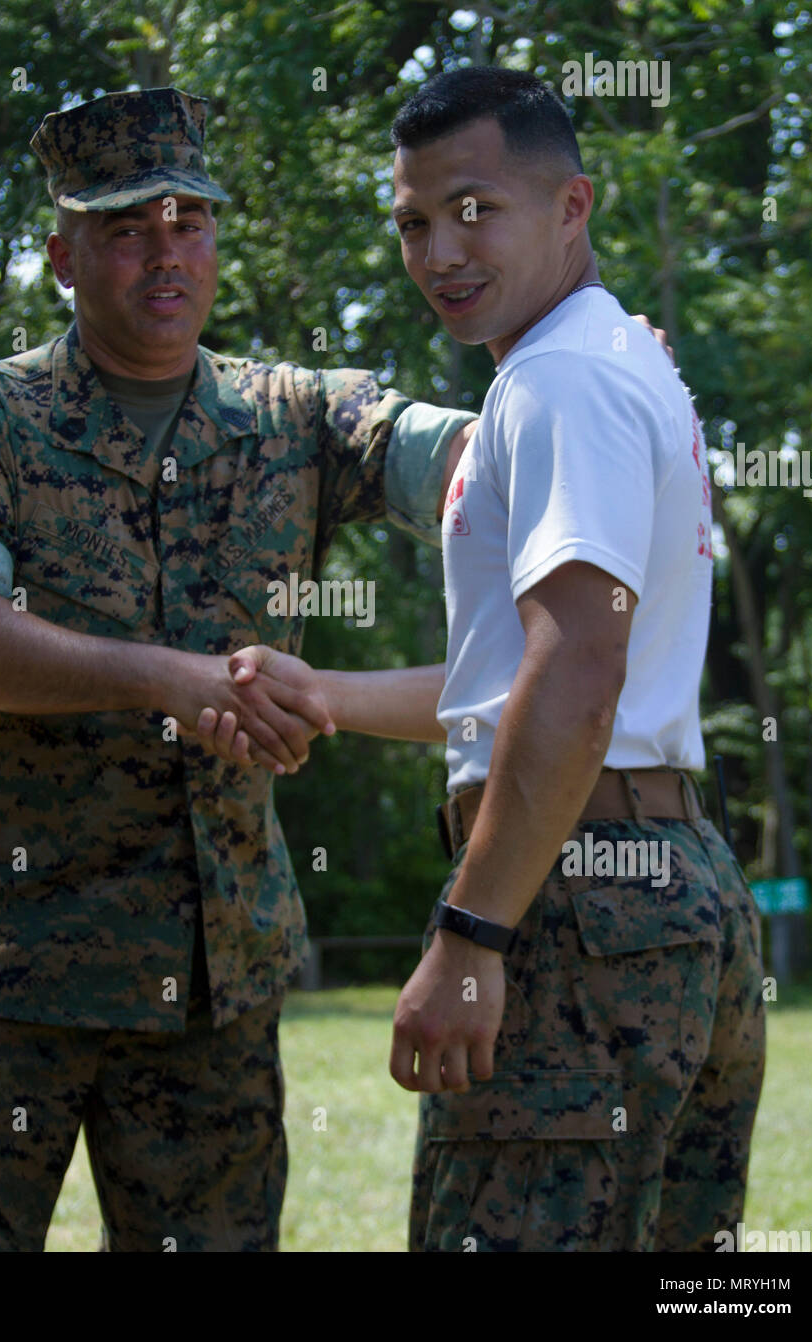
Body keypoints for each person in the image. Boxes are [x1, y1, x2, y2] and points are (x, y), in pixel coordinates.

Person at [0, 86, 479, 1252]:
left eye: (188, 219)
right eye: (127, 225)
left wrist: (576, 377)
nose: (165, 250)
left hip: (213, 986)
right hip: (6, 969)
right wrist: (165, 677)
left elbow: (451, 456)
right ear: (61, 253)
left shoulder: (291, 415)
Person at [197, 66, 765, 1253]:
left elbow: (574, 679)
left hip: (575, 906)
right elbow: (531, 686)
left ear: (572, 207)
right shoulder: (622, 365)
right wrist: (332, 697)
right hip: (669, 880)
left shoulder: (560, 379)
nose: (437, 251)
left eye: (473, 209)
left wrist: (473, 933)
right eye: (411, 220)